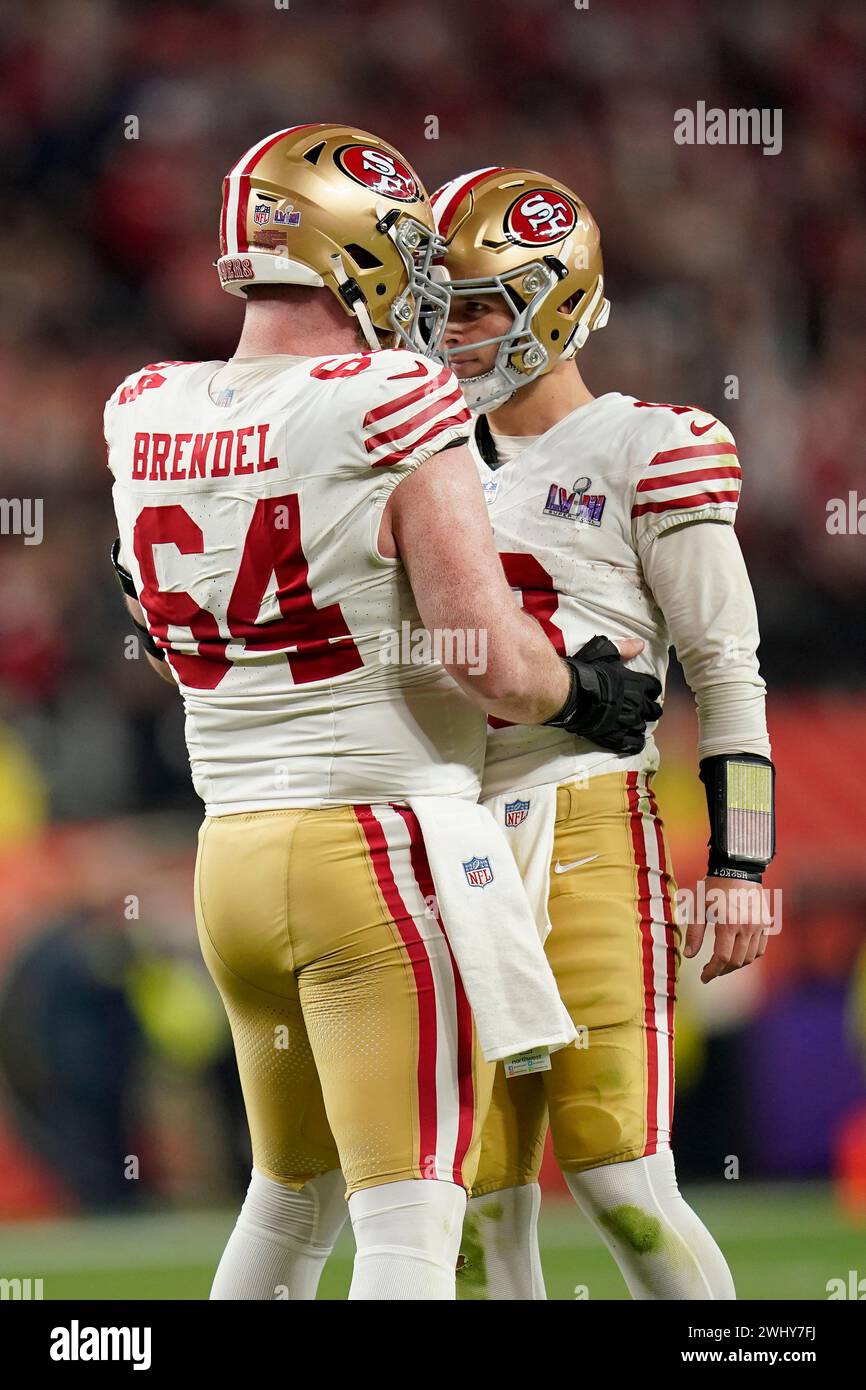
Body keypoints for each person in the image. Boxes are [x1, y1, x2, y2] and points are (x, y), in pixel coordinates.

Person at [104, 127, 661, 1301]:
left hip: (229, 855)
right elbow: (484, 659)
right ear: (356, 245)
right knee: (408, 1214)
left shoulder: (144, 405)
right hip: (372, 846)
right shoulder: (391, 394)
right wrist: (589, 691)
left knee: (286, 1198)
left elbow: (166, 639)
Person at [433, 165, 776, 1300]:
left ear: (555, 298)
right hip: (452, 834)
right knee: (476, 1204)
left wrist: (737, 864)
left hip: (587, 826)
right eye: (444, 301)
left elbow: (726, 670)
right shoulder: (413, 455)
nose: (454, 328)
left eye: (480, 302)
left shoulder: (645, 444)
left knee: (619, 1178)